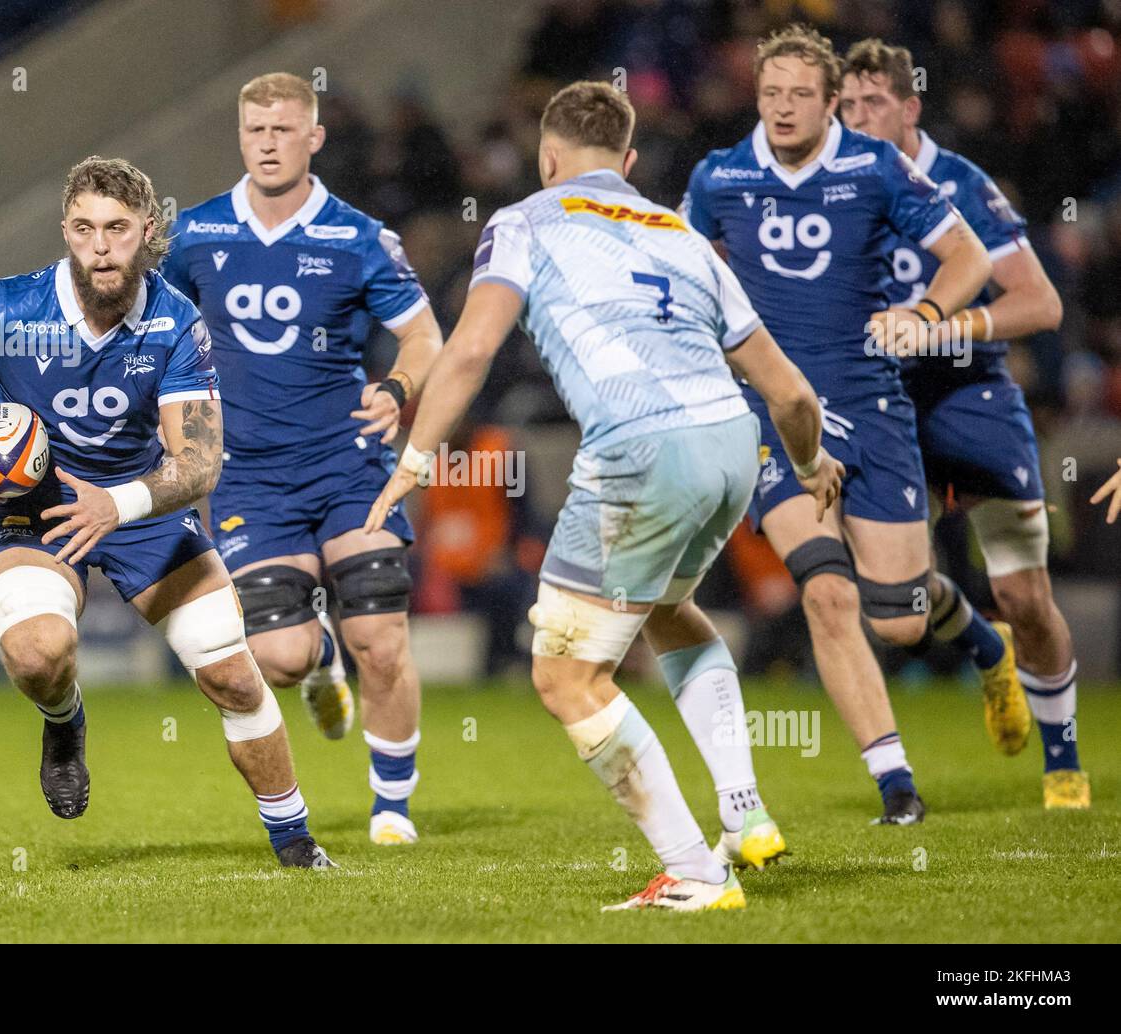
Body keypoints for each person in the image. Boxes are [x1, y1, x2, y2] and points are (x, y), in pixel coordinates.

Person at [367, 81, 840, 911]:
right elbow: (793, 395)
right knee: (669, 609)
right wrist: (808, 468)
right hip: (734, 445)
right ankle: (745, 812)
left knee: (566, 678)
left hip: (641, 450)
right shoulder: (684, 234)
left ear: (549, 160)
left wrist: (415, 458)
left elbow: (473, 348)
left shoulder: (524, 220)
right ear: (626, 163)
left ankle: (695, 872)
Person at [0, 156, 334, 868]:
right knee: (38, 656)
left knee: (229, 672)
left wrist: (119, 504)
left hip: (144, 506)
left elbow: (198, 464)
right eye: (84, 228)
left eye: (118, 229)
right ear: (67, 231)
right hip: (36, 511)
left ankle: (296, 844)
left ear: (146, 231)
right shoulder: (8, 309)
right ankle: (64, 722)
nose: (101, 246)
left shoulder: (173, 324)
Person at [682, 23, 992, 824]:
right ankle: (897, 784)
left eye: (800, 96)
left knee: (899, 620)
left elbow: (971, 259)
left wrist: (924, 312)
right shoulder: (718, 177)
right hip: (772, 408)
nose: (783, 109)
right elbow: (679, 269)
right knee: (825, 590)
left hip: (869, 399)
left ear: (831, 106)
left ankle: (981, 640)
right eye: (770, 93)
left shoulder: (874, 166)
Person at [161, 73, 444, 846]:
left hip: (348, 462)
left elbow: (426, 337)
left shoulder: (358, 237)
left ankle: (392, 807)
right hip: (250, 472)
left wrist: (397, 385)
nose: (269, 143)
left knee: (382, 636)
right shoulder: (193, 235)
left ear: (314, 138)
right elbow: (149, 329)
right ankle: (320, 658)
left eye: (285, 130)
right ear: (241, 135)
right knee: (278, 660)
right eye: (256, 130)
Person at [840, 38, 1087, 810]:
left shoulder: (961, 184)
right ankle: (985, 649)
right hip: (878, 401)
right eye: (845, 104)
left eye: (871, 102)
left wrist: (938, 326)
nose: (855, 117)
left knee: (1023, 591)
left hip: (970, 395)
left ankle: (1062, 761)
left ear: (911, 108)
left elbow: (1040, 304)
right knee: (897, 596)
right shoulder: (837, 186)